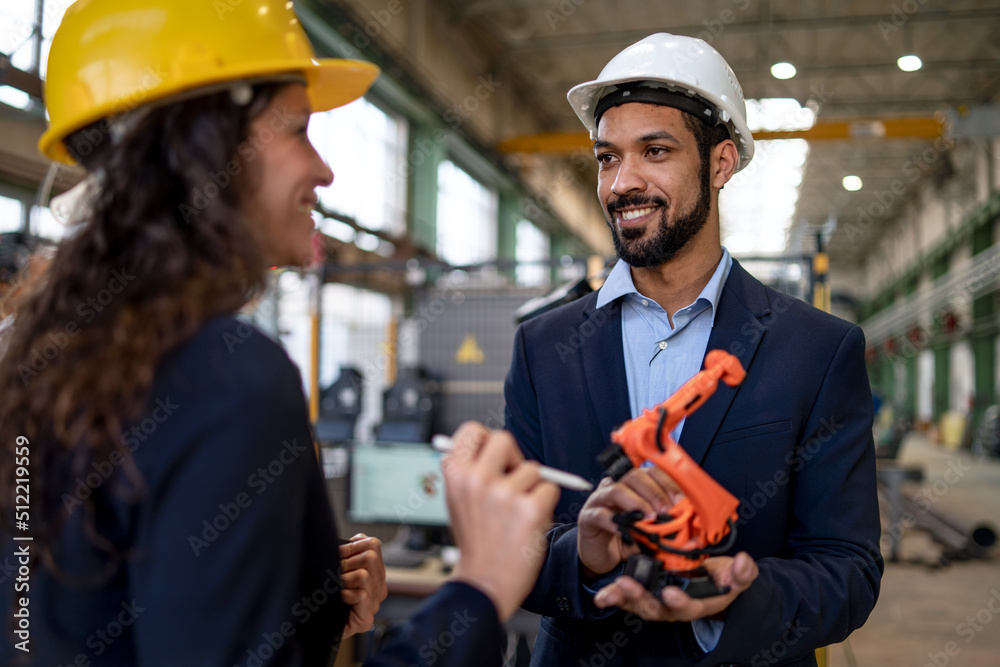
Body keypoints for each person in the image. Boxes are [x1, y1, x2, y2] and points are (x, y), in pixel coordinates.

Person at [0, 1, 558, 665]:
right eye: (299, 129)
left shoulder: (47, 361)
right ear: (208, 147)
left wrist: (304, 599)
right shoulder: (228, 374)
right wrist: (480, 585)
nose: (324, 170)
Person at [503, 33, 883, 666]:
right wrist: (585, 556)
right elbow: (513, 549)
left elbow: (847, 573)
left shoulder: (816, 350)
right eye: (607, 158)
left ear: (721, 163)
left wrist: (735, 594)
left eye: (655, 151)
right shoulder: (544, 348)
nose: (623, 183)